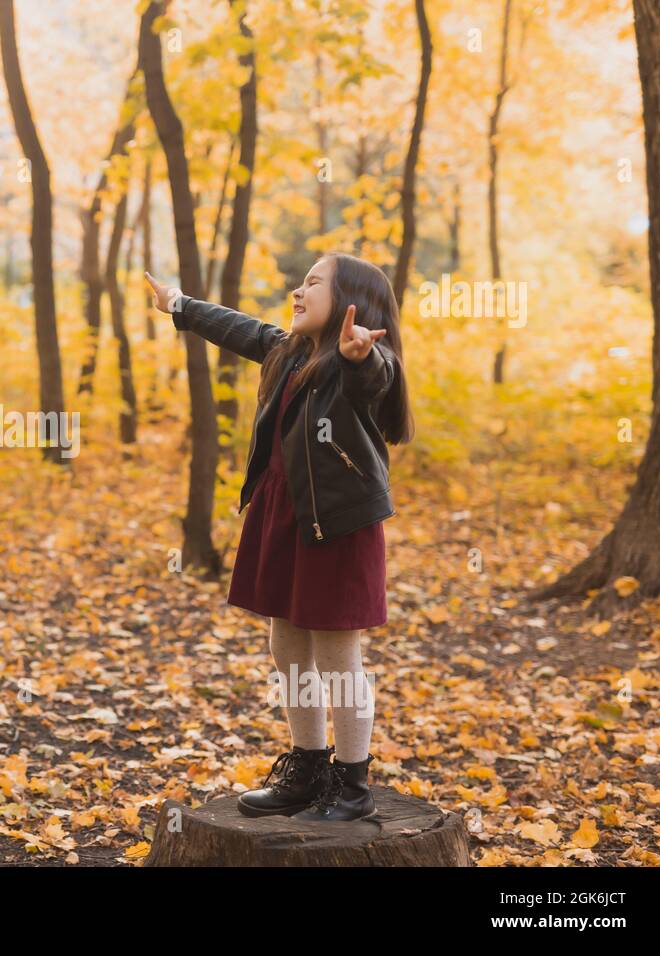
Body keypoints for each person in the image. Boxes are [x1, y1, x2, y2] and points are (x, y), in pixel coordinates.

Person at [145, 254, 414, 822]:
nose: (298, 290)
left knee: (337, 653)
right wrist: (180, 305)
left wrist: (360, 356)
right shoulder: (291, 352)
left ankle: (354, 785)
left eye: (313, 283)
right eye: (300, 281)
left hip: (337, 522)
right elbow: (241, 328)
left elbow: (376, 377)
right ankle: (308, 768)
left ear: (351, 304)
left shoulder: (360, 359)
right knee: (286, 643)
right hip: (284, 512)